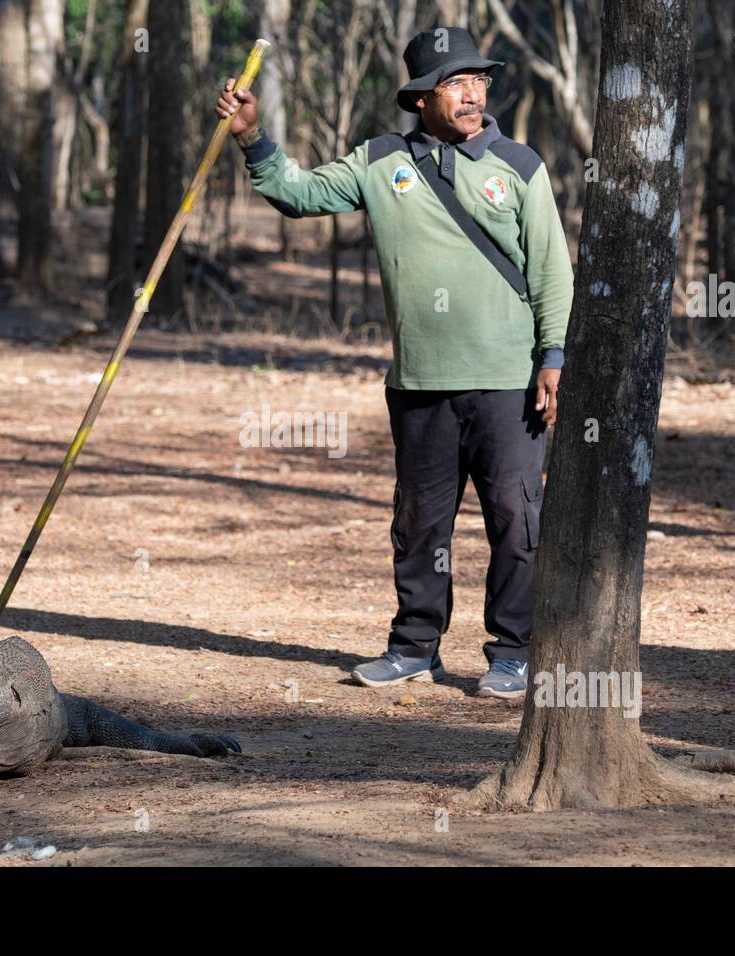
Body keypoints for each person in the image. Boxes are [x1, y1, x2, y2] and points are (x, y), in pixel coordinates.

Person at [217, 26, 573, 699]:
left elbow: (553, 269)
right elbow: (298, 194)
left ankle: (514, 651)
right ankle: (414, 646)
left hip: (508, 380)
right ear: (421, 99)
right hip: (419, 382)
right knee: (418, 523)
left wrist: (553, 355)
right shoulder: (381, 162)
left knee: (516, 519)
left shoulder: (520, 166)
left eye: (479, 81)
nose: (472, 94)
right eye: (455, 83)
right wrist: (250, 138)